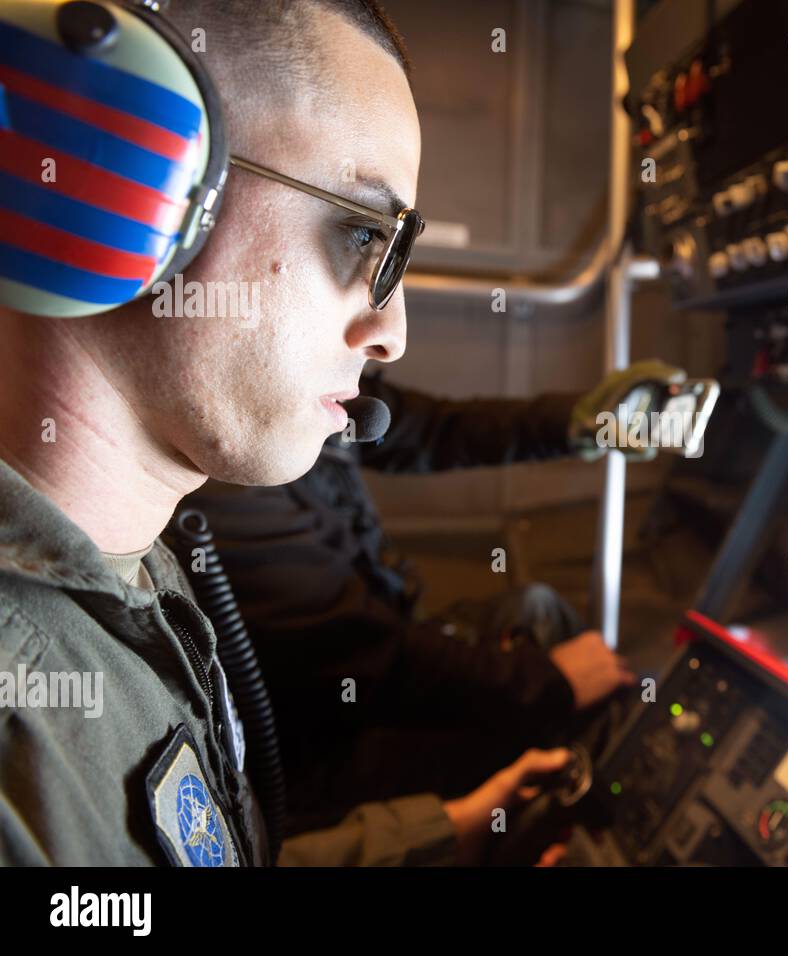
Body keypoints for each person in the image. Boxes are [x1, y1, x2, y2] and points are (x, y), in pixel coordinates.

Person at [0, 0, 562, 866]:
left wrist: (442, 832)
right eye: (363, 232)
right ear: (116, 176)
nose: (392, 331)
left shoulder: (131, 573)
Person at [181, 361, 682, 832]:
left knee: (537, 608)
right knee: (548, 736)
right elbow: (377, 656)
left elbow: (437, 429)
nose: (388, 337)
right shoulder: (224, 487)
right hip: (330, 742)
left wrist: (574, 423)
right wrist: (549, 683)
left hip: (381, 653)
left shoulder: (313, 380)